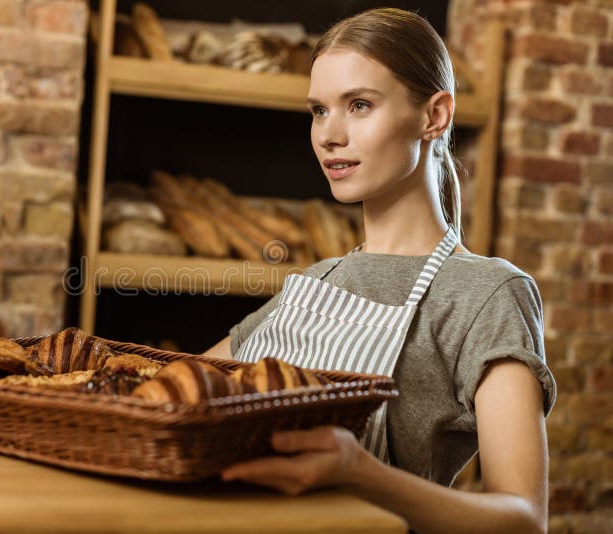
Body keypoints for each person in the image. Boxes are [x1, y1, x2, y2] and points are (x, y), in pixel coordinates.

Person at [202, 8, 556, 534]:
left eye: (359, 105)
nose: (329, 135)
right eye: (319, 111)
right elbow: (183, 386)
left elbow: (524, 519)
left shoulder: (488, 294)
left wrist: (361, 474)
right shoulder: (317, 281)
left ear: (434, 116)